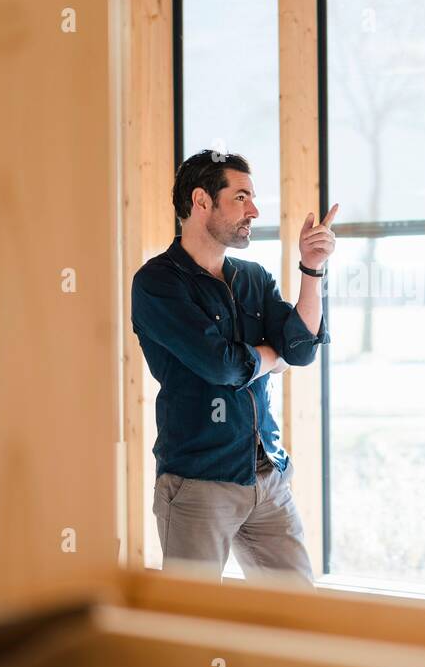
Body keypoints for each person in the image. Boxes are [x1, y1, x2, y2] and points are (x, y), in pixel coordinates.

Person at [131, 149, 338, 584]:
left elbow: (299, 350)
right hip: (198, 482)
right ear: (201, 201)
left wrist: (312, 270)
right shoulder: (157, 282)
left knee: (298, 615)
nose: (254, 211)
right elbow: (221, 366)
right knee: (194, 619)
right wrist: (269, 356)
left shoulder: (253, 276)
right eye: (241, 197)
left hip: (268, 476)